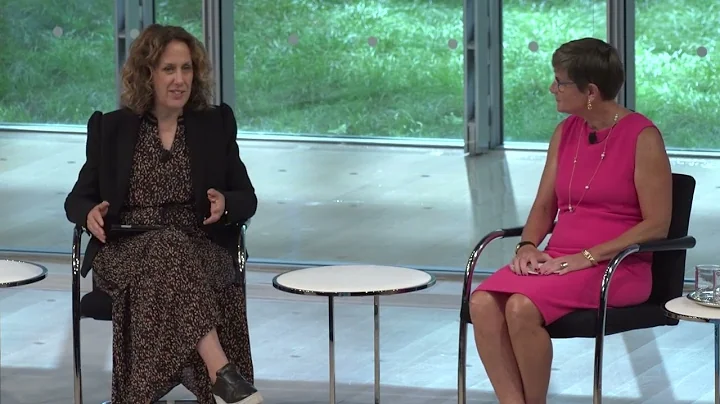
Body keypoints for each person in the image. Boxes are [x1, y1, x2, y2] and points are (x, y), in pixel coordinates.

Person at [64, 24, 262, 404]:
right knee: (166, 248)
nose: (179, 80)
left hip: (199, 246)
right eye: (169, 69)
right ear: (148, 73)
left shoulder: (213, 123)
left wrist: (226, 203)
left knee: (171, 254)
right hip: (126, 249)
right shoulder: (111, 128)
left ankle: (140, 395)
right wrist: (88, 212)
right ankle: (223, 375)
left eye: (186, 69)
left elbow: (247, 198)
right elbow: (77, 198)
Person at [469, 37, 672, 404]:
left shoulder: (643, 137)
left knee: (519, 306)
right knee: (482, 302)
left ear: (590, 90)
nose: (552, 88)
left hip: (618, 265)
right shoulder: (566, 133)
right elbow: (544, 206)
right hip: (561, 259)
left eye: (560, 82)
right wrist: (528, 245)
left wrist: (589, 256)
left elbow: (657, 224)